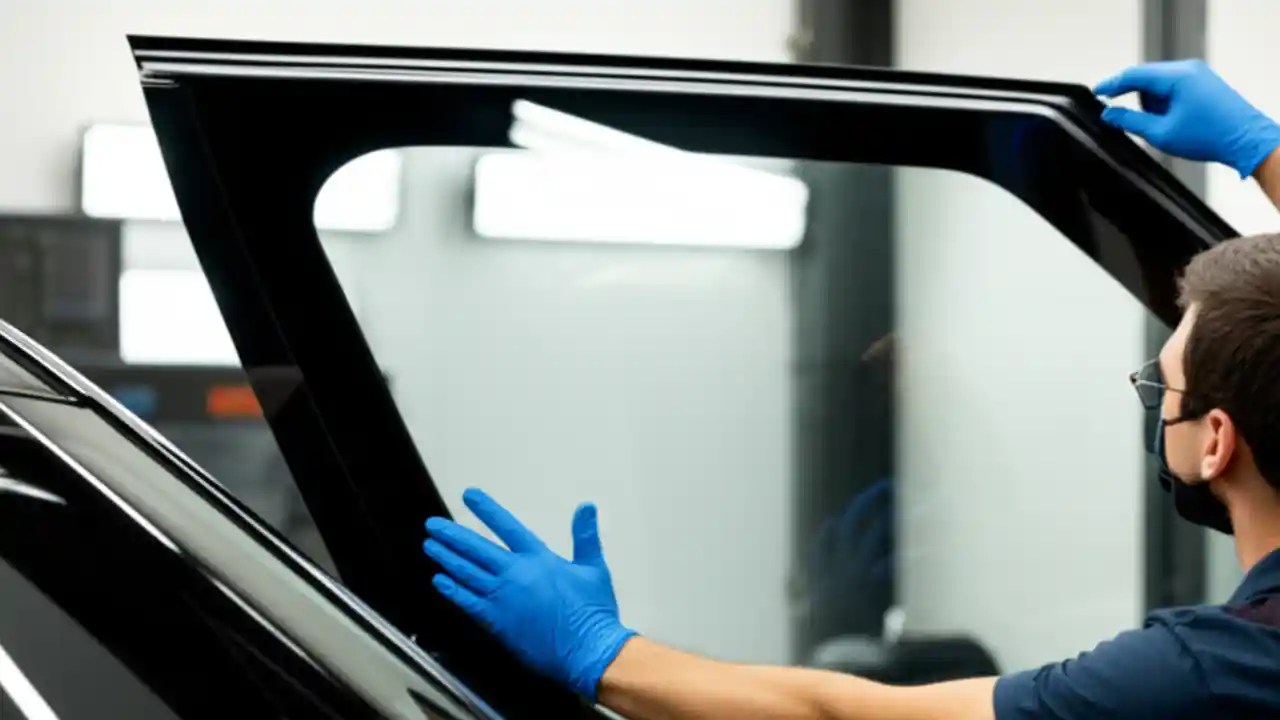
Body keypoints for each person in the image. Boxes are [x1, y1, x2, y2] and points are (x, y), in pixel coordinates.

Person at [421, 60, 1280, 719]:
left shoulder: (1207, 674)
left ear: (1215, 440)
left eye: (1159, 384)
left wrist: (602, 655)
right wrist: (1263, 151)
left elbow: (848, 715)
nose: (1149, 398)